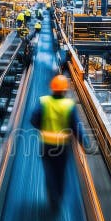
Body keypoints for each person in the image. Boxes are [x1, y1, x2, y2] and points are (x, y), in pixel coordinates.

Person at [30, 74, 85, 209]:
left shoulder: (44, 102)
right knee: (60, 172)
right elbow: (76, 126)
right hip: (62, 147)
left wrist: (42, 127)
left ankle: (52, 194)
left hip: (46, 145)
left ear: (52, 89)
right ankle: (58, 196)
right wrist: (84, 142)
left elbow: (33, 119)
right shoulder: (69, 105)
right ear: (65, 90)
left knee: (49, 171)